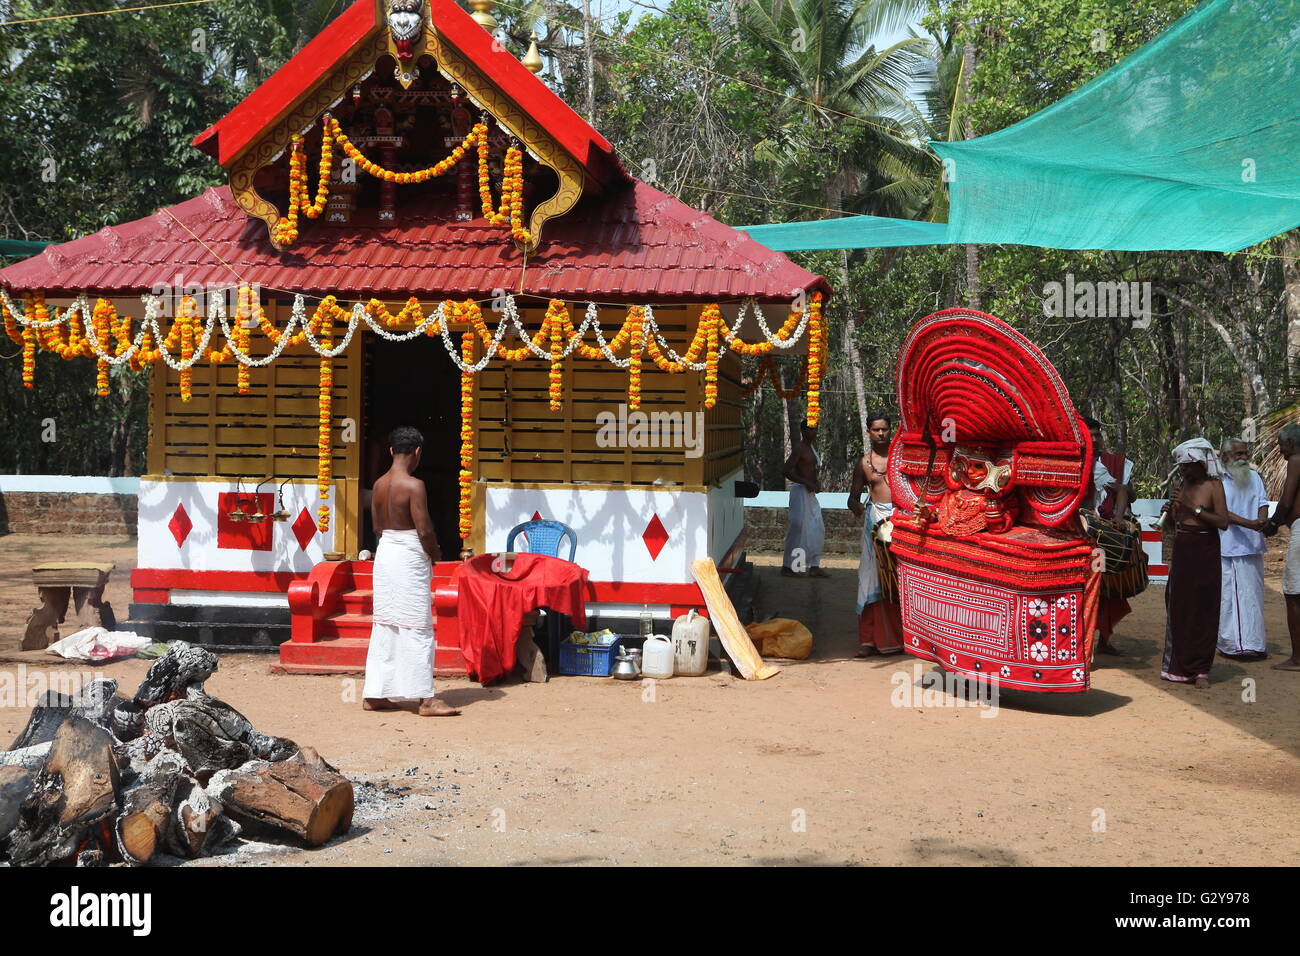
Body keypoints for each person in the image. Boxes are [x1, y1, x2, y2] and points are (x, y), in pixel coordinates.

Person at [362, 426, 460, 716]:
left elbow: (377, 527)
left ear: (391, 451)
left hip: (386, 554)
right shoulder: (414, 485)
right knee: (418, 626)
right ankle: (425, 699)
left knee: (386, 625)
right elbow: (425, 529)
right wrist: (436, 554)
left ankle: (375, 693)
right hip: (407, 555)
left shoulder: (379, 484)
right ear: (418, 452)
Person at [1161, 438, 1228, 687]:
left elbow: (1223, 522)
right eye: (1181, 467)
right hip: (1183, 548)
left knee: (1204, 606)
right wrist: (1170, 515)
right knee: (1179, 604)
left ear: (1200, 464)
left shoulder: (1214, 485)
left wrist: (1194, 508)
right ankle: (1178, 666)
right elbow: (1172, 525)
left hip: (1206, 548)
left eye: (1187, 466)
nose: (1183, 471)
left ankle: (1201, 670)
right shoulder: (1181, 484)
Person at [849, 413, 903, 656]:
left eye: (884, 429)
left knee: (898, 580)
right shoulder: (863, 464)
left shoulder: (902, 460)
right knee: (872, 580)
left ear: (891, 430)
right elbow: (852, 498)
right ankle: (869, 641)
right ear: (869, 432)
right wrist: (857, 507)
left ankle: (902, 639)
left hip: (901, 523)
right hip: (874, 525)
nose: (881, 434)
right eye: (876, 430)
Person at [1083, 416, 1135, 655]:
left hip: (1097, 533)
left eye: (1097, 435)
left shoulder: (1102, 465)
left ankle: (1102, 639)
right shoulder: (1069, 461)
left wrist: (1119, 517)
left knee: (1105, 590)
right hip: (1075, 533)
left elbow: (1123, 490)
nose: (1095, 440)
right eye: (1090, 435)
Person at [1217, 438, 1269, 661]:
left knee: (1252, 596)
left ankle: (1254, 643)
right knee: (1229, 596)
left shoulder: (1254, 477)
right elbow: (1222, 513)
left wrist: (1262, 521)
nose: (1243, 458)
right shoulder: (1218, 479)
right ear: (1226, 456)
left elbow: (1262, 503)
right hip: (1228, 546)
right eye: (1238, 454)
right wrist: (1251, 524)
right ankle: (1233, 645)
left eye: (1245, 453)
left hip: (1252, 546)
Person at [1262, 423, 1300, 671]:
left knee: (1293, 593)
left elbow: (1286, 500)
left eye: (1280, 443)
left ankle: (1297, 659)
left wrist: (1272, 524)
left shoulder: (1297, 459)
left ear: (1292, 443)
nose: (1279, 448)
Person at [782, 419, 827, 577]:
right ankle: (789, 566)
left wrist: (815, 483)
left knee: (817, 527)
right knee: (798, 528)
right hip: (799, 492)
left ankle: (814, 566)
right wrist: (806, 482)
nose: (813, 432)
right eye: (810, 429)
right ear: (803, 431)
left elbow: (810, 470)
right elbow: (786, 470)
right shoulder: (800, 448)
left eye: (815, 429)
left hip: (810, 493)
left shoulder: (810, 447)